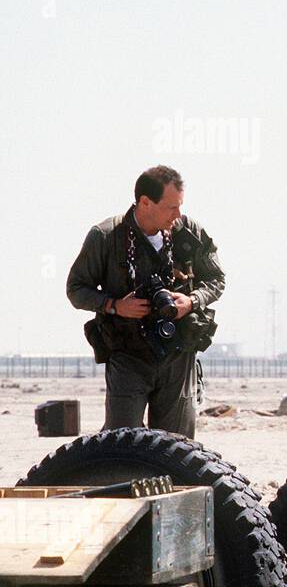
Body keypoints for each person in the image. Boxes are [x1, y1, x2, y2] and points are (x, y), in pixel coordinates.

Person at [67, 165, 223, 438]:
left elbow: (216, 279)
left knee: (178, 446)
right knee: (121, 442)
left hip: (178, 353)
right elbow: (76, 289)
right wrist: (115, 305)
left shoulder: (189, 233)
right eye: (171, 207)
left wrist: (191, 300)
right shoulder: (106, 236)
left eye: (180, 206)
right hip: (128, 353)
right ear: (145, 203)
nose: (178, 215)